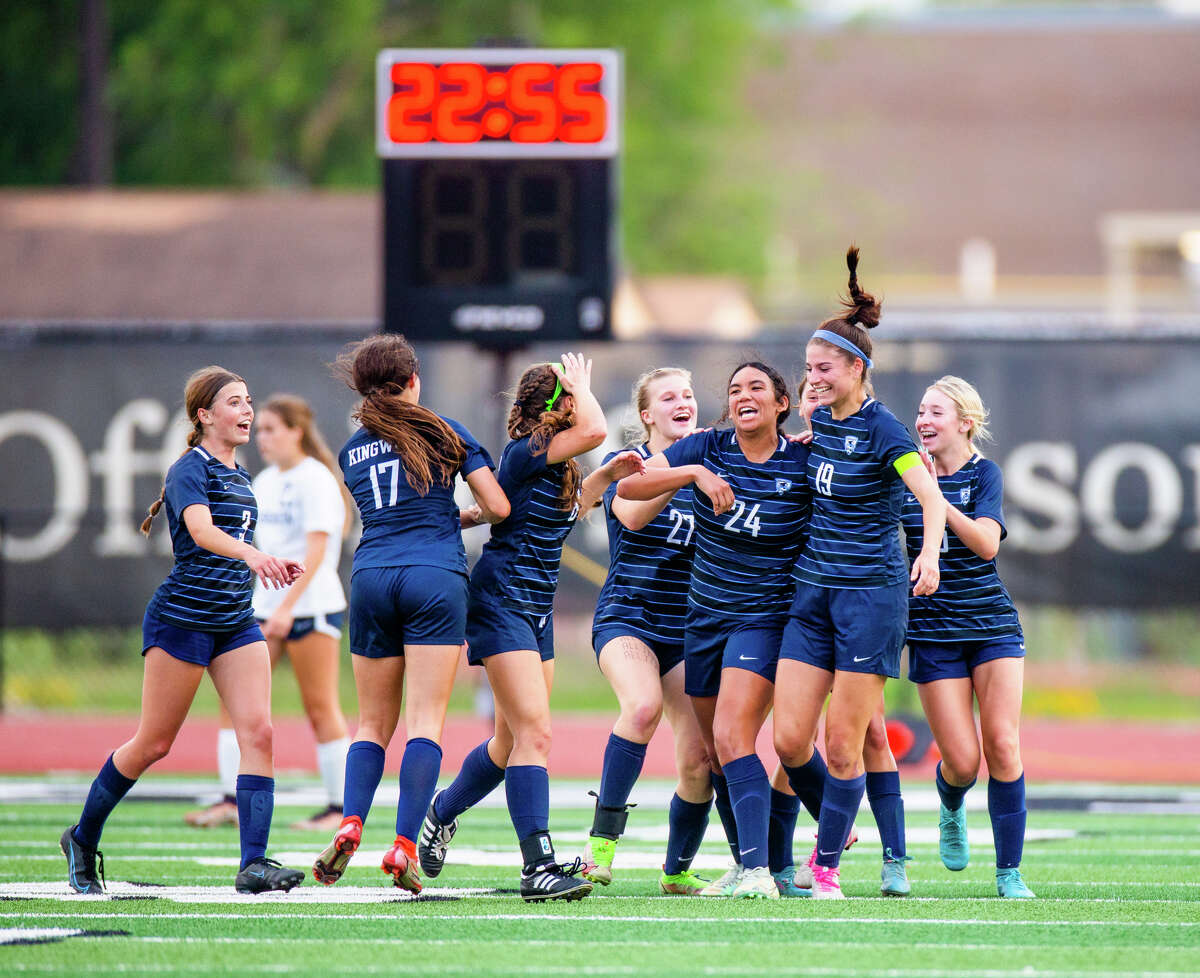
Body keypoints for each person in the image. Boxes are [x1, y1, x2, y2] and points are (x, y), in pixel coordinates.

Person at [61, 366, 305, 895]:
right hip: (184, 619)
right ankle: (82, 837)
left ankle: (254, 864)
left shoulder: (240, 473)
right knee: (153, 743)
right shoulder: (188, 468)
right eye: (235, 403)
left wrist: (269, 563)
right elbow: (201, 530)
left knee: (259, 732)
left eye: (249, 401)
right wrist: (253, 554)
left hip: (235, 620)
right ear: (204, 415)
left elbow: (233, 541)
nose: (247, 412)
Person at [774, 247, 947, 900]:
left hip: (871, 600)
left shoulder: (886, 431)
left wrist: (927, 554)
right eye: (808, 369)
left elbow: (928, 497)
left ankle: (826, 870)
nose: (811, 379)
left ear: (856, 368)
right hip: (812, 593)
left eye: (823, 369)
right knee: (790, 740)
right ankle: (837, 831)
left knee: (843, 744)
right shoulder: (818, 423)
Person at [310, 335, 508, 895]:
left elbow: (387, 510)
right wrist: (458, 517)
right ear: (414, 379)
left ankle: (350, 822)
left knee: (371, 724)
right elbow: (497, 507)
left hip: (371, 577)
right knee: (425, 723)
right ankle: (402, 846)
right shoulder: (443, 430)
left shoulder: (352, 449)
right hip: (434, 576)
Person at [617, 361, 812, 900]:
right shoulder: (708, 448)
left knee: (733, 736)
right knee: (716, 749)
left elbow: (853, 483)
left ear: (780, 404)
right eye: (734, 389)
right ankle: (762, 865)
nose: (743, 395)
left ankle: (763, 869)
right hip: (702, 621)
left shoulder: (802, 459)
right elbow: (629, 491)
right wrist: (691, 473)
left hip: (764, 620)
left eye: (756, 388)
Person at [417, 353, 606, 903]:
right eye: (570, 397)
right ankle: (538, 866)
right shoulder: (528, 451)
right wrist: (580, 388)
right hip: (502, 600)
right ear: (560, 405)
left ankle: (442, 810)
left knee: (508, 741)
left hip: (534, 606)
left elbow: (565, 514)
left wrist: (608, 475)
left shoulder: (549, 461)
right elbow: (593, 428)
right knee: (535, 735)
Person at [184, 394, 351, 832]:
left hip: (311, 609)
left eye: (271, 429)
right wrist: (263, 605)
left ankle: (339, 807)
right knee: (236, 706)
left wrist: (288, 609)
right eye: (259, 430)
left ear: (297, 430)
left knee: (320, 706)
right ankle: (229, 800)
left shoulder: (316, 478)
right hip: (262, 608)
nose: (262, 437)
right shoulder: (266, 481)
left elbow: (317, 553)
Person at [577, 367, 712, 896]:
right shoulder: (633, 467)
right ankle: (599, 850)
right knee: (640, 708)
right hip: (628, 618)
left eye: (689, 393)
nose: (683, 402)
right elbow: (631, 515)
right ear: (646, 415)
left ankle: (676, 872)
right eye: (669, 397)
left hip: (687, 629)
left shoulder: (713, 460)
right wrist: (686, 470)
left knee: (701, 758)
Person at [903, 375, 1035, 898]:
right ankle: (952, 803)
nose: (924, 421)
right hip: (932, 629)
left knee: (1002, 743)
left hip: (991, 627)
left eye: (936, 412)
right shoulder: (905, 472)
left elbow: (985, 545)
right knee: (961, 761)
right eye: (921, 411)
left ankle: (1009, 873)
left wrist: (935, 498)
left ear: (966, 424)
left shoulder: (986, 475)